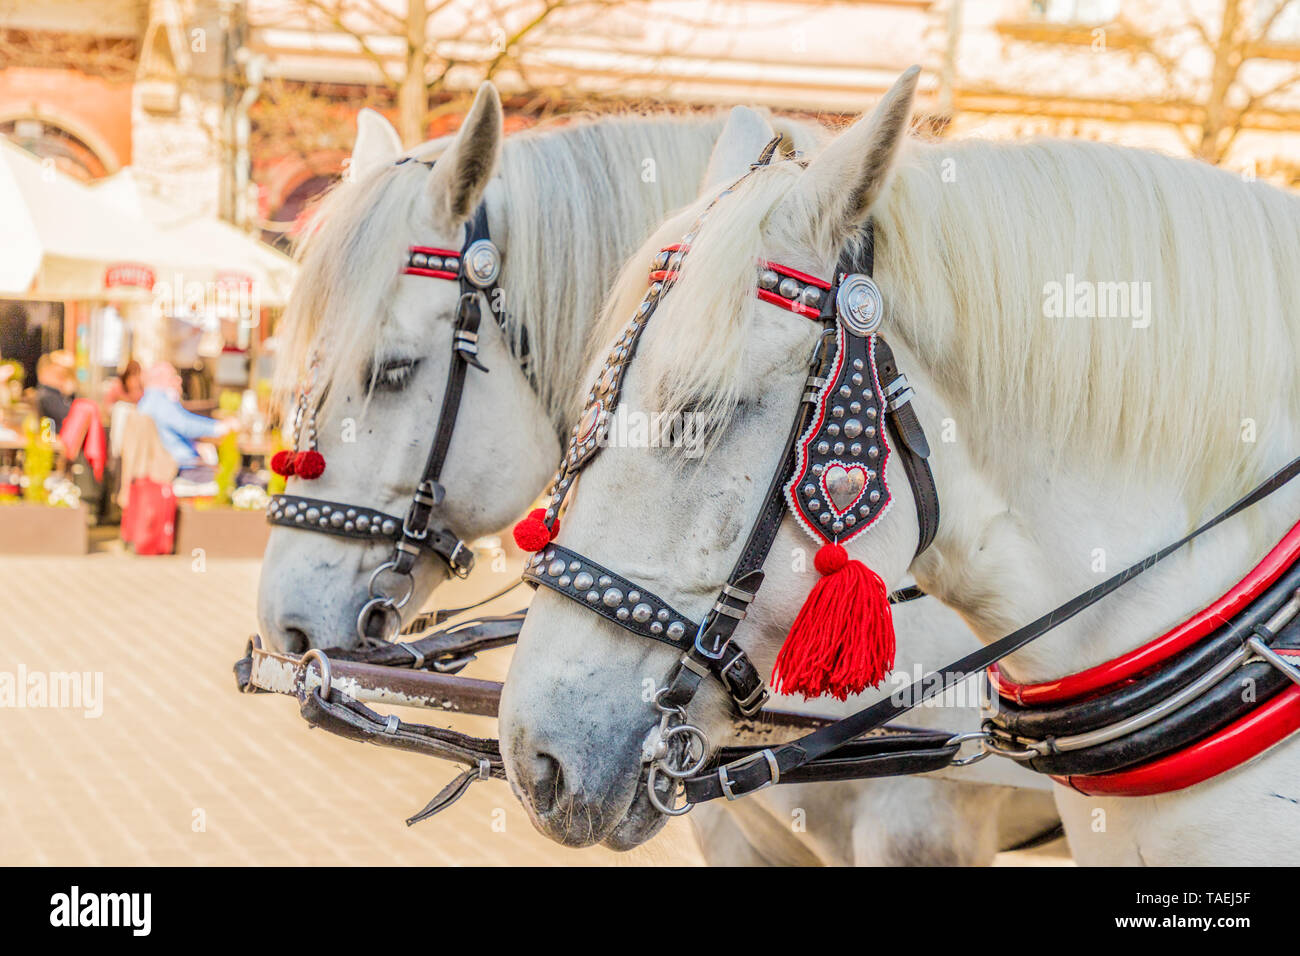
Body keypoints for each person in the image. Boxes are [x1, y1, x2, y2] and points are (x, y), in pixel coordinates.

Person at [136, 361, 232, 480]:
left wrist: (196, 446)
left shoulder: (148, 401)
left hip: (173, 465)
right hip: (179, 468)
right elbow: (186, 426)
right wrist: (219, 427)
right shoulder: (160, 401)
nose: (179, 380)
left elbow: (171, 433)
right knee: (231, 477)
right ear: (159, 379)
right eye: (172, 376)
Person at [35, 350, 76, 432]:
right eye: (60, 376)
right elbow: (72, 417)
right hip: (54, 439)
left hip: (53, 437)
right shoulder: (48, 395)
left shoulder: (50, 393)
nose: (63, 380)